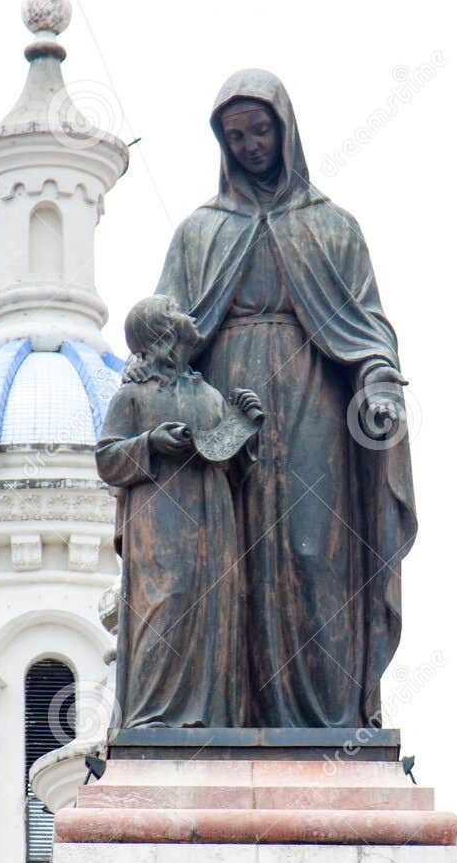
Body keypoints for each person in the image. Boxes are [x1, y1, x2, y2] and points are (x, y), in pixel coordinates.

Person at [156, 69, 417, 728]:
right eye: (234, 135)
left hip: (312, 405)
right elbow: (160, 333)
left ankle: (327, 725)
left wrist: (379, 383)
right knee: (227, 563)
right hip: (222, 407)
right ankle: (226, 718)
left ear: (286, 130)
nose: (248, 145)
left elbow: (368, 325)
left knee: (312, 552)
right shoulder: (198, 232)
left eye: (260, 130)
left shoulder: (332, 227)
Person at [95, 295, 263, 728]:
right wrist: (150, 442)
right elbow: (107, 459)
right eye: (172, 309)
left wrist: (243, 426)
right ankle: (151, 717)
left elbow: (229, 460)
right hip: (159, 512)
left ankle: (213, 718)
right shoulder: (131, 396)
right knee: (166, 602)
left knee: (212, 604)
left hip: (212, 512)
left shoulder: (208, 393)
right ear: (159, 333)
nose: (184, 312)